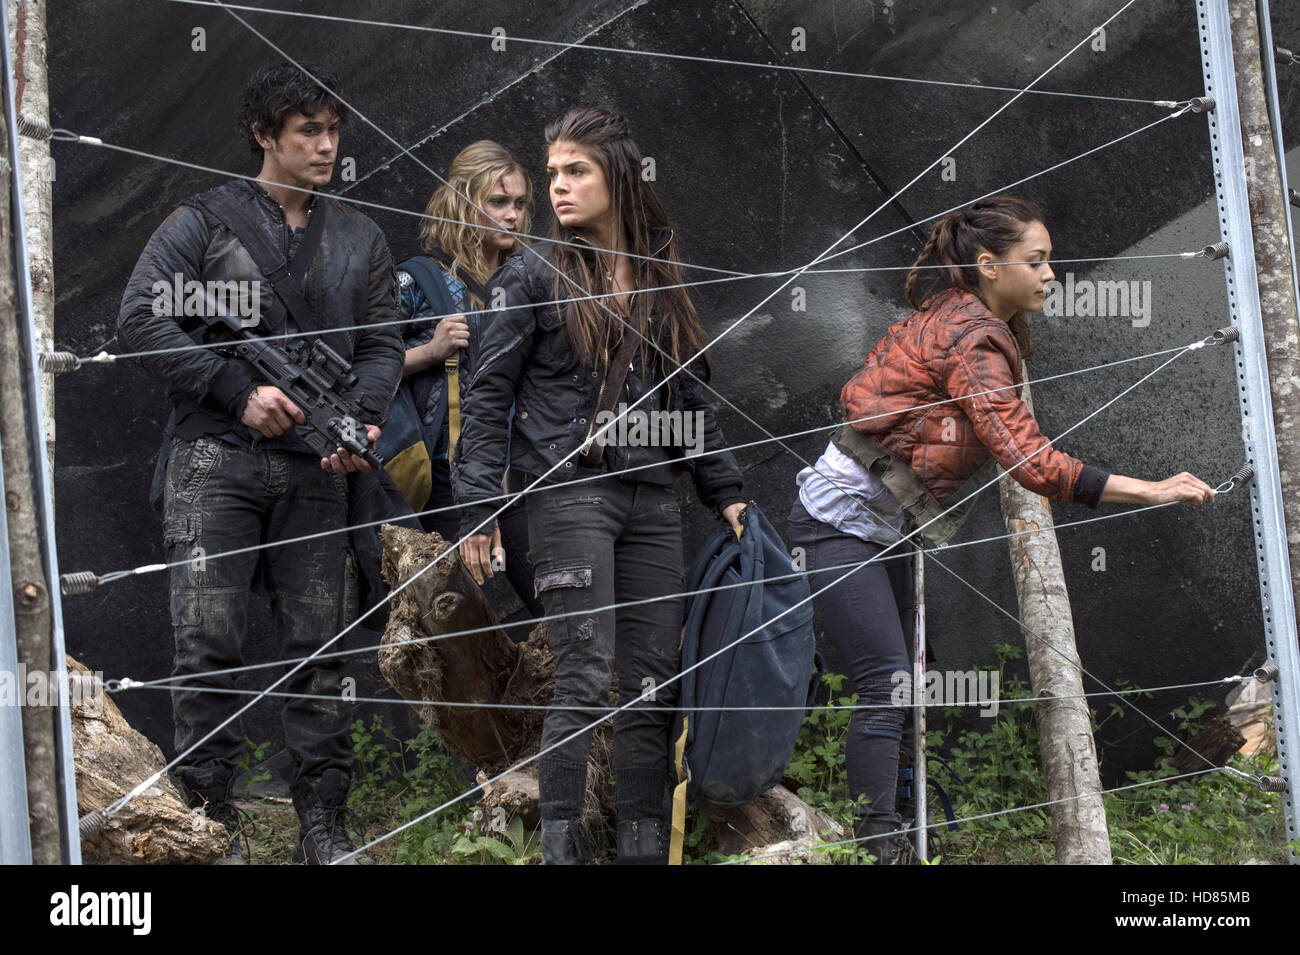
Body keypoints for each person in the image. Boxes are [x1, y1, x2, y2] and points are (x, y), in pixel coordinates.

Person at [785, 195, 1215, 863]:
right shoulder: (974, 337)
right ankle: (883, 844)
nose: (1051, 275)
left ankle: (900, 827)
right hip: (834, 523)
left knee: (908, 679)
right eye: (1036, 262)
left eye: (1050, 261)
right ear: (989, 266)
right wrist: (1152, 488)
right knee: (889, 682)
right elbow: (1031, 462)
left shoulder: (970, 320)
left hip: (880, 528)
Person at [116, 62, 404, 864]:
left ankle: (324, 827)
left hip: (321, 471)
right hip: (218, 459)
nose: (324, 145)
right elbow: (139, 318)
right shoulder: (204, 223)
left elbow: (382, 341)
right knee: (207, 646)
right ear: (264, 135)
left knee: (322, 653)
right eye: (306, 130)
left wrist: (364, 422)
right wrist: (236, 388)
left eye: (332, 129)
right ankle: (211, 827)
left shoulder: (359, 236)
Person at [452, 106, 747, 864]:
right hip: (568, 494)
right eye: (551, 172)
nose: (557, 186)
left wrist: (727, 491)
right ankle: (561, 851)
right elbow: (485, 399)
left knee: (650, 688)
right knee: (583, 679)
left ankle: (644, 852)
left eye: (574, 170)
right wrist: (479, 511)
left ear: (618, 174)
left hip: (655, 501)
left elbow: (689, 397)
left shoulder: (656, 271)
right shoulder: (530, 271)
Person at [381, 140, 543, 622]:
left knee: (554, 605)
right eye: (498, 202)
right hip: (445, 478)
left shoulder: (534, 280)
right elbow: (362, 368)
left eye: (519, 204)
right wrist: (428, 351)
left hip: (521, 472)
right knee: (452, 624)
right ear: (462, 201)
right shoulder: (419, 281)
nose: (512, 215)